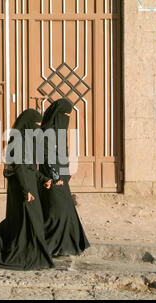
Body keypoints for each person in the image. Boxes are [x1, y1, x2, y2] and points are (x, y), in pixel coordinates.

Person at [0, 109, 55, 270]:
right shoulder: (18, 142)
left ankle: (32, 254)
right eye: (35, 125)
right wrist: (26, 191)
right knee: (29, 222)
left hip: (29, 188)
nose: (37, 128)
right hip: (23, 189)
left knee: (26, 223)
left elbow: (29, 168)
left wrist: (44, 180)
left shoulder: (25, 141)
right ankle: (15, 252)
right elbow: (21, 169)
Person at [39, 98, 90, 257]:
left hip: (62, 178)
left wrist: (65, 175)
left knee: (67, 211)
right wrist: (55, 177)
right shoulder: (48, 133)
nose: (66, 118)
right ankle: (49, 246)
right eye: (64, 115)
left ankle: (66, 246)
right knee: (57, 213)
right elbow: (46, 157)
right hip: (53, 179)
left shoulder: (59, 132)